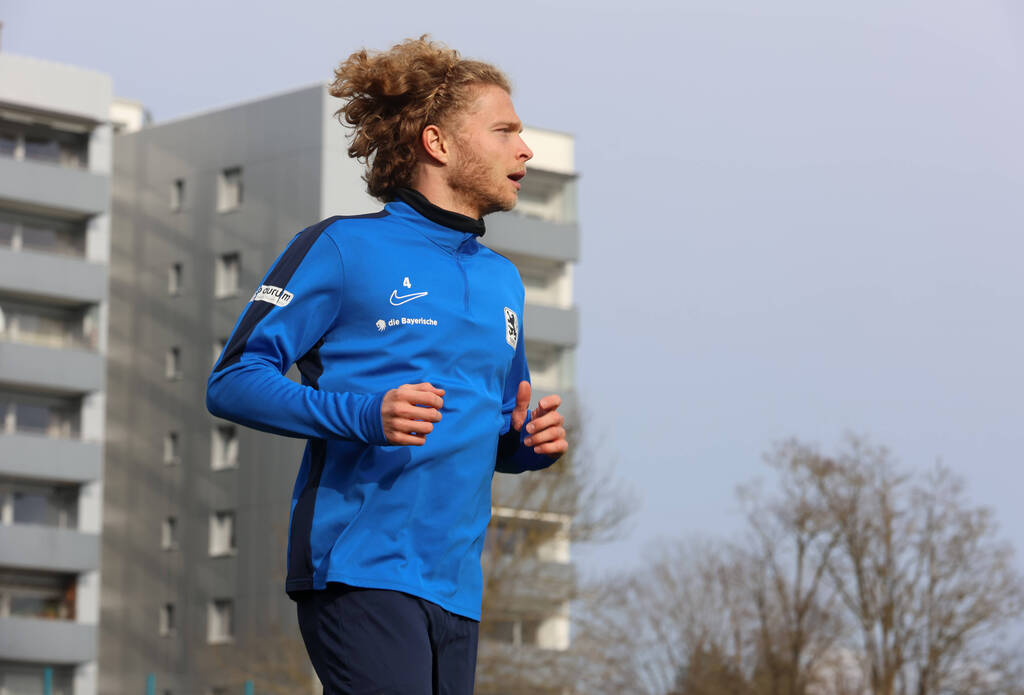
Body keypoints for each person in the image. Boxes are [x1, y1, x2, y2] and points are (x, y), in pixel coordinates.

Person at [206, 36, 568, 694]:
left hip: (457, 588)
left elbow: (494, 430)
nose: (526, 149)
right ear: (438, 143)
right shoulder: (343, 247)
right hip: (359, 567)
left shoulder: (504, 281)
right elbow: (231, 381)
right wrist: (362, 413)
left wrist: (528, 444)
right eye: (505, 131)